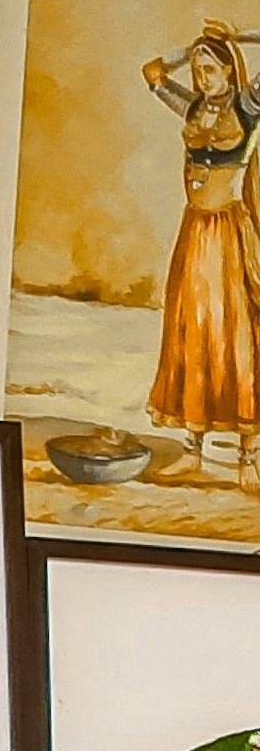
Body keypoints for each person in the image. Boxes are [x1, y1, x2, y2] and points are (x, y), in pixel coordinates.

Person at [144, 29, 260, 478]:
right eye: (197, 70)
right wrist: (188, 49)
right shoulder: (191, 106)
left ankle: (247, 459)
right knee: (192, 331)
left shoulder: (247, 108)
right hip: (194, 233)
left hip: (229, 234)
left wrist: (238, 36)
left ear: (230, 69)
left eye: (210, 68)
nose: (202, 77)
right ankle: (192, 449)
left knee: (236, 334)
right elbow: (152, 73)